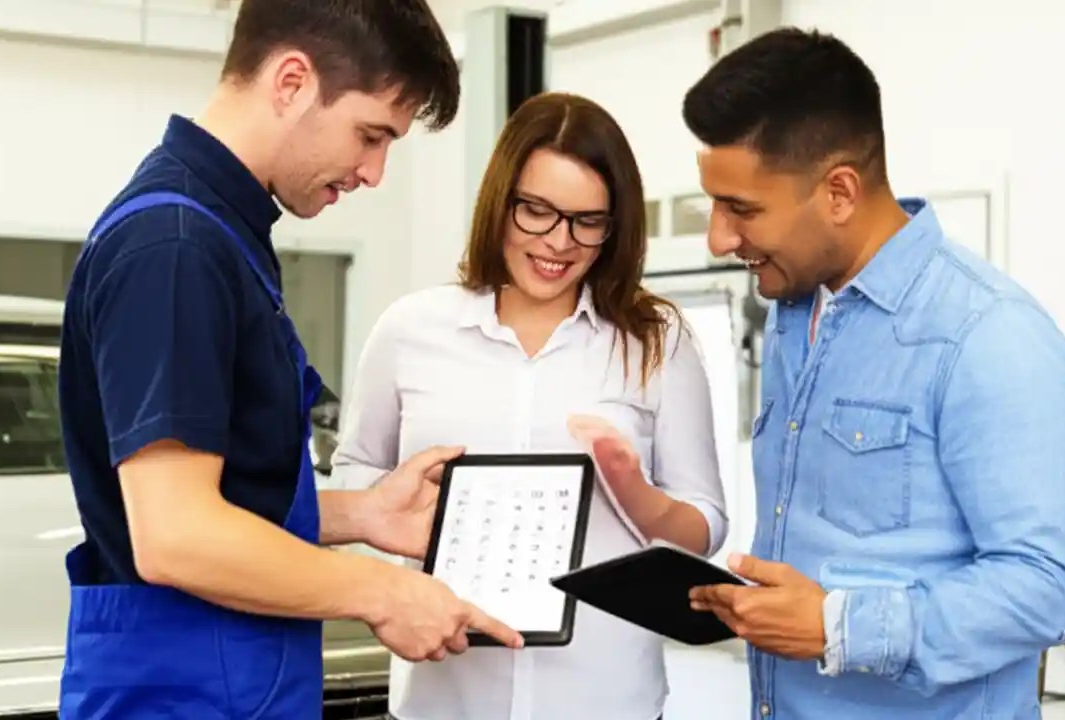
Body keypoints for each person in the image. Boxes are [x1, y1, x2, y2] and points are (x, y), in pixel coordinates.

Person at [55, 1, 522, 717]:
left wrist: (362, 514)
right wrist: (385, 591)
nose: (374, 173)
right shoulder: (174, 247)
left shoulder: (224, 236)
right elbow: (176, 536)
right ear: (292, 81)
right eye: (371, 135)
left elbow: (227, 493)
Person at [681, 27, 1065, 719]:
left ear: (839, 191)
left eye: (742, 210)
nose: (718, 239)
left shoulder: (990, 336)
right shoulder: (792, 317)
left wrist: (838, 627)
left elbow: (1047, 588)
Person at [330, 91, 729, 720]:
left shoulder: (658, 342)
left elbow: (706, 524)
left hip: (604, 700)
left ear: (615, 226)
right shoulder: (410, 330)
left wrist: (635, 493)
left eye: (587, 221)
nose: (558, 242)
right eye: (536, 211)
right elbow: (354, 474)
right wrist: (404, 541)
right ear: (500, 201)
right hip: (445, 698)